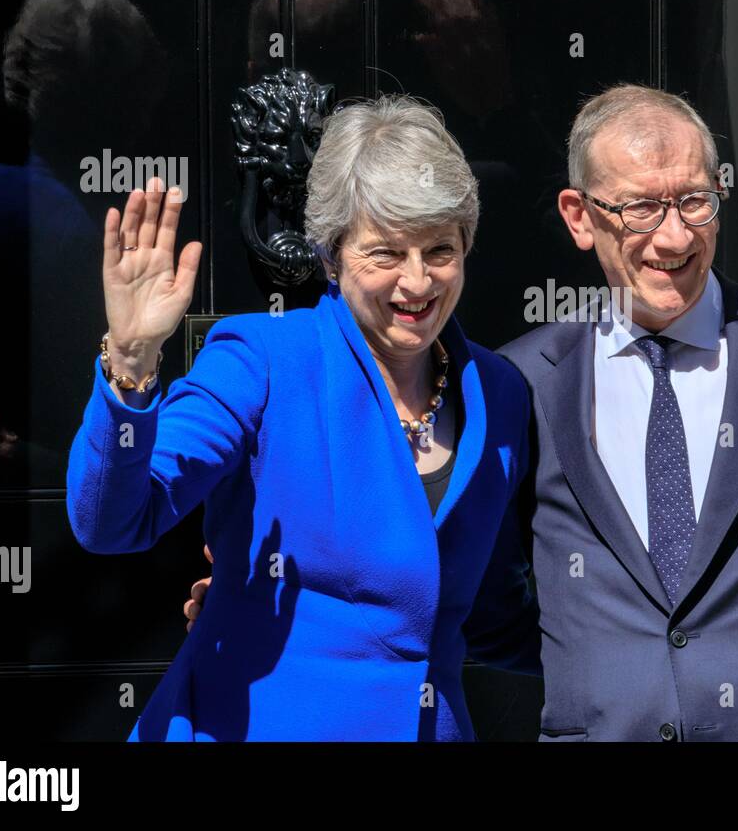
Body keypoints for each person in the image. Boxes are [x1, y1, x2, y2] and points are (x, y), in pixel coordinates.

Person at [186, 84, 738, 741]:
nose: (673, 235)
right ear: (580, 217)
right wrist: (260, 608)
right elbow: (470, 589)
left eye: (694, 199)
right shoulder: (522, 382)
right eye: (641, 206)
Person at [66, 95, 539, 741]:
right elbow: (111, 521)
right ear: (330, 255)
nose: (417, 282)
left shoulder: (500, 393)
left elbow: (492, 614)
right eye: (385, 253)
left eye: (439, 250)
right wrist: (130, 358)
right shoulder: (263, 359)